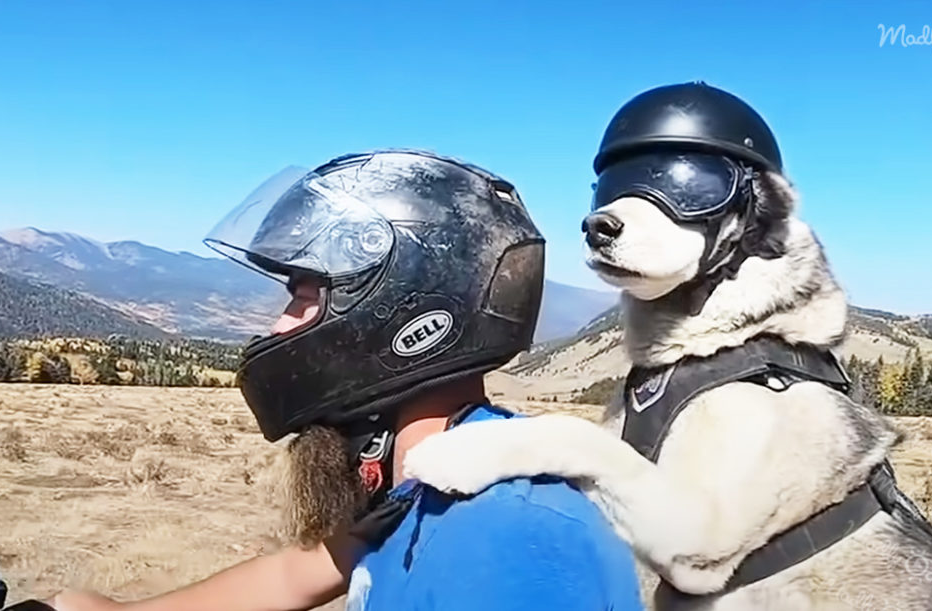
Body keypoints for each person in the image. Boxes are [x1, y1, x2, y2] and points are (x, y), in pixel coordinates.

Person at [51, 150, 644, 611]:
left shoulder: (511, 532)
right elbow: (294, 574)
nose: (279, 327)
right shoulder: (419, 486)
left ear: (404, 312)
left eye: (303, 297)